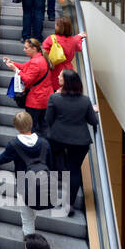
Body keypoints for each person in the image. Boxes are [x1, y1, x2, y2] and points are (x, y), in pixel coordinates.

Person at [0, 111, 54, 249]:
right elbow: (51, 165)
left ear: (16, 127)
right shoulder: (45, 143)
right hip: (43, 185)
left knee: (27, 222)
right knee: (32, 216)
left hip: (25, 187)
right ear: (31, 124)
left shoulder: (14, 144)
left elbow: (0, 160)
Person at [43, 69, 98, 217]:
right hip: (80, 141)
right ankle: (69, 204)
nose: (58, 76)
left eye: (60, 75)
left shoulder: (55, 98)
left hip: (58, 138)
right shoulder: (85, 100)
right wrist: (92, 110)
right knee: (74, 170)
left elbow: (48, 120)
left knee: (52, 161)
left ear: (65, 81)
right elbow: (93, 121)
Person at [3, 39, 54, 135]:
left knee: (32, 127)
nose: (24, 50)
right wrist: (12, 63)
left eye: (26, 48)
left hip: (36, 100)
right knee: (44, 126)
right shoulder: (41, 58)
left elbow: (27, 80)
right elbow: (25, 66)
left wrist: (16, 70)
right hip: (46, 98)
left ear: (34, 48)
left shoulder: (35, 62)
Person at [41, 16, 86, 91]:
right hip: (68, 70)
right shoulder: (73, 41)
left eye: (56, 25)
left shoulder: (51, 39)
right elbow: (79, 47)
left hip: (54, 69)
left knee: (54, 90)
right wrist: (79, 36)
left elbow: (44, 53)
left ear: (59, 27)